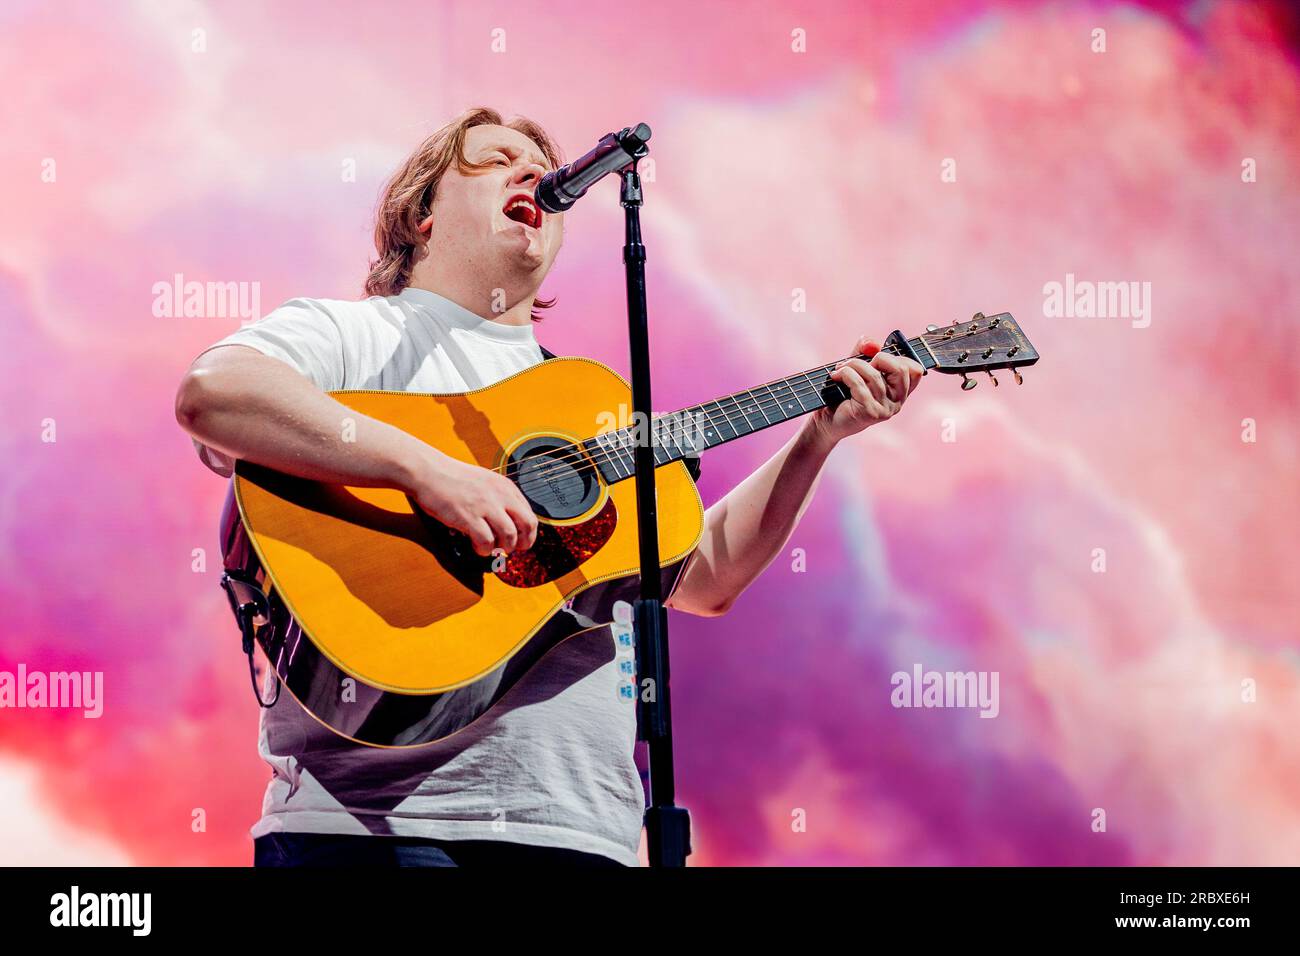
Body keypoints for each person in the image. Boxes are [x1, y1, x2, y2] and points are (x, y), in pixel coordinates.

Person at [174, 106, 923, 867]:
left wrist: (817, 436)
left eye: (540, 164)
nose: (531, 172)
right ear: (423, 214)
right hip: (371, 831)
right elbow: (218, 393)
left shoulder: (581, 404)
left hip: (577, 834)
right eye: (497, 159)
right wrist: (429, 472)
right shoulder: (358, 336)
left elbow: (707, 576)